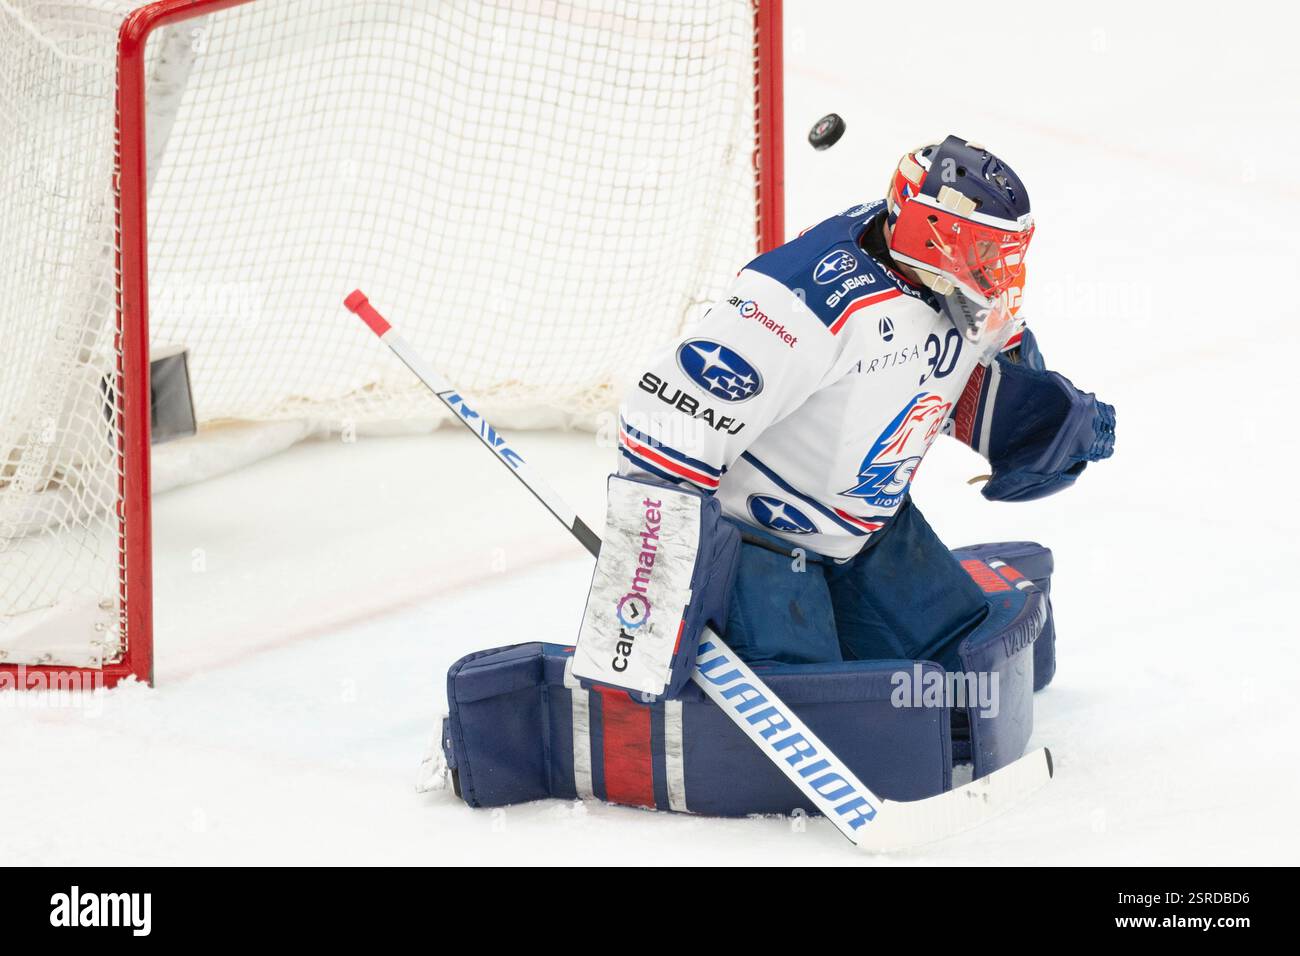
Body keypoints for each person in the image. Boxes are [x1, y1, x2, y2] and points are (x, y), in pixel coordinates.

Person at [578, 135, 1115, 695]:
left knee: (966, 674)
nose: (997, 271)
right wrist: (640, 609)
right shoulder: (798, 302)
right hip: (759, 543)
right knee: (811, 699)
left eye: (1002, 252)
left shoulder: (957, 282)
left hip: (872, 532)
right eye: (983, 249)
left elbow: (988, 378)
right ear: (933, 234)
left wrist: (1044, 420)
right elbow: (664, 430)